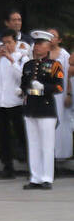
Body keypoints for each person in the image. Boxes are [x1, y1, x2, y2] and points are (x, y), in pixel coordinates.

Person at [21, 30, 64, 190]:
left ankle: (47, 177)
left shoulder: (54, 65)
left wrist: (44, 87)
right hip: (30, 108)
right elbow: (24, 83)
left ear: (48, 47)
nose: (36, 47)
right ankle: (35, 177)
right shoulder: (28, 65)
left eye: (40, 44)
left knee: (46, 145)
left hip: (46, 109)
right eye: (36, 44)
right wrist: (22, 90)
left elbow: (59, 86)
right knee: (33, 144)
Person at [0, 30, 26, 180]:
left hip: (15, 102)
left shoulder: (22, 57)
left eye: (9, 42)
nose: (6, 46)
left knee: (21, 133)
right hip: (0, 102)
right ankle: (7, 167)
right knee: (4, 136)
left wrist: (10, 59)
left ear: (16, 42)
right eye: (4, 43)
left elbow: (22, 76)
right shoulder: (0, 59)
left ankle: (28, 163)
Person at [50, 29, 73, 162]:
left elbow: (68, 76)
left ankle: (61, 155)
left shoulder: (64, 55)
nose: (51, 38)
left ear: (59, 40)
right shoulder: (42, 54)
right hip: (47, 95)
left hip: (61, 95)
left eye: (54, 36)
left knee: (61, 124)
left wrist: (69, 94)